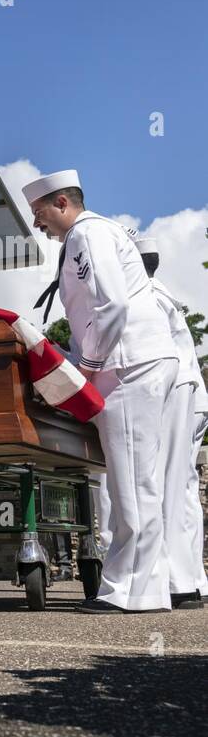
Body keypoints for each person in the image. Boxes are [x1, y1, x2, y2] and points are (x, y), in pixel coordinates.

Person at [23, 170, 178, 613]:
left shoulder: (86, 235)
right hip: (137, 360)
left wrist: (86, 369)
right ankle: (144, 587)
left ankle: (127, 591)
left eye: (39, 214)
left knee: (130, 482)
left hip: (126, 364)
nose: (38, 225)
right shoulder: (95, 233)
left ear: (61, 204)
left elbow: (111, 304)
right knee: (139, 480)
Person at [136, 236, 205, 609]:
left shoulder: (147, 294)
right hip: (186, 389)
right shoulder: (161, 292)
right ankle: (189, 579)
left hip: (172, 388)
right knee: (179, 489)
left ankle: (177, 582)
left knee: (165, 486)